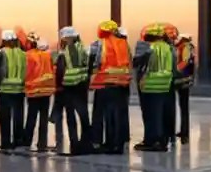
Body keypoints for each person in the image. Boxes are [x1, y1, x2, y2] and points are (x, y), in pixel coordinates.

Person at [87, 20, 133, 154]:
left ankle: (102, 143)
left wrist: (91, 79)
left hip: (104, 84)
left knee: (102, 115)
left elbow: (93, 63)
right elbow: (129, 62)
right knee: (117, 115)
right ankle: (117, 144)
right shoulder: (124, 44)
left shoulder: (99, 44)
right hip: (120, 84)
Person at [133, 23, 175, 152]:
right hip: (165, 84)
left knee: (151, 115)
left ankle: (152, 141)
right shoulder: (168, 48)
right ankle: (162, 140)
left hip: (150, 85)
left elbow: (138, 64)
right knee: (162, 113)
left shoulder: (149, 48)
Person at [55, 26, 92, 154]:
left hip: (70, 86)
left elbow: (60, 70)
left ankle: (74, 144)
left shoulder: (65, 52)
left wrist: (58, 86)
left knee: (71, 117)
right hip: (82, 85)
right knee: (84, 116)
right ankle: (87, 143)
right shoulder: (84, 49)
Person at [0, 30, 27, 151]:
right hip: (19, 90)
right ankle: (18, 140)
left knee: (5, 118)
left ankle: (6, 142)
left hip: (6, 89)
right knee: (18, 117)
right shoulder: (23, 54)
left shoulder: (2, 53)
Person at [22, 36, 55, 151]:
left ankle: (27, 141)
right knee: (43, 119)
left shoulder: (29, 55)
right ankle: (42, 143)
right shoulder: (47, 56)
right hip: (46, 91)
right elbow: (52, 70)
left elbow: (26, 72)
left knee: (31, 117)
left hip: (34, 90)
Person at [173, 33, 195, 144]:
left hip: (183, 80)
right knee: (183, 107)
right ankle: (183, 130)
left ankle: (184, 132)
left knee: (183, 107)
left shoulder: (186, 47)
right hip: (185, 79)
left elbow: (184, 62)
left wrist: (175, 70)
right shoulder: (187, 47)